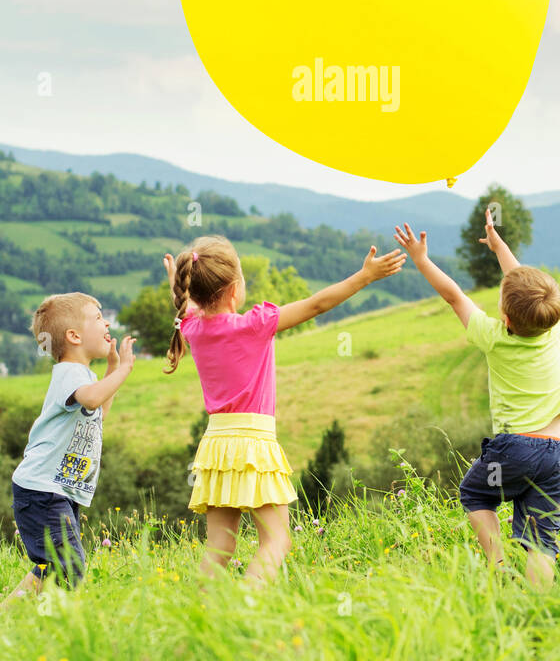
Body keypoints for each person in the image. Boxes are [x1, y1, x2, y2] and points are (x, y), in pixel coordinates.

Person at [164, 235, 405, 583]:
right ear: (234, 290)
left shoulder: (193, 329)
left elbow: (188, 306)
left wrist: (177, 282)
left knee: (219, 548)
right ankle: (249, 604)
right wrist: (365, 276)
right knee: (276, 540)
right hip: (254, 445)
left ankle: (201, 615)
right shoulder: (255, 325)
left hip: (216, 446)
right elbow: (317, 305)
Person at [392, 210, 560, 589]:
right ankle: (540, 610)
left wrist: (422, 259)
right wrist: (499, 246)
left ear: (505, 318)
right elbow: (524, 285)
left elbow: (453, 295)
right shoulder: (550, 329)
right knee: (542, 543)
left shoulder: (492, 336)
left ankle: (499, 567)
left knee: (476, 492)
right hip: (559, 452)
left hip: (517, 448)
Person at [0, 292, 136, 610]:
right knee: (70, 567)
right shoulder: (70, 374)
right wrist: (123, 369)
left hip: (54, 490)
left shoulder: (81, 376)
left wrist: (113, 371)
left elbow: (96, 414)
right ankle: (53, 626)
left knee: (53, 566)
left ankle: (3, 615)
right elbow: (90, 400)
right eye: (98, 318)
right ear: (74, 336)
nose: (107, 322)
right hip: (43, 490)